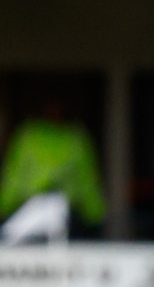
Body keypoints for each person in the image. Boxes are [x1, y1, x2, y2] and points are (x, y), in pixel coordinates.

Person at [0, 99, 107, 243]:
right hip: (53, 210)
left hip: (44, 208)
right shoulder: (76, 137)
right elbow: (87, 182)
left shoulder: (28, 134)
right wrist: (96, 216)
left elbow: (14, 178)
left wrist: (4, 206)